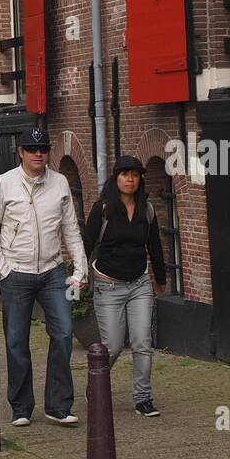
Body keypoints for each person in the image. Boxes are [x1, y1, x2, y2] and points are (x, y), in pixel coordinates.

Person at [0, 125, 87, 428]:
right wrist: (3, 268)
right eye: (32, 149)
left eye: (43, 149)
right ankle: (21, 407)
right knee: (16, 341)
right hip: (16, 273)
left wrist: (79, 270)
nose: (38, 154)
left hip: (53, 273)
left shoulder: (60, 183)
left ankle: (58, 406)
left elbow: (70, 229)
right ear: (21, 153)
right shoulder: (3, 184)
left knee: (64, 334)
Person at [83, 155, 167, 419]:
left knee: (143, 341)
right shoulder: (103, 208)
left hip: (139, 284)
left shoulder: (148, 210)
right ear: (115, 178)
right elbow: (86, 244)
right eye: (124, 174)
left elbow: (154, 246)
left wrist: (160, 279)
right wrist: (80, 276)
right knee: (113, 345)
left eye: (135, 174)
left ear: (140, 179)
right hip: (108, 285)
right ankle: (96, 383)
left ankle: (143, 398)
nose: (130, 179)